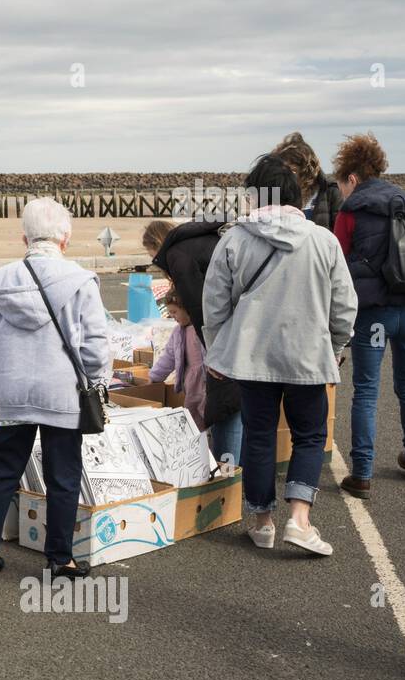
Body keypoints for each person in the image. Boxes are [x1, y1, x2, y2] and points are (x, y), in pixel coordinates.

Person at [203, 155, 357, 556]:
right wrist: (335, 347)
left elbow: (215, 304)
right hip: (307, 355)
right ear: (297, 195)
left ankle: (262, 521)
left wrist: (219, 351)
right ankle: (300, 520)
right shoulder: (323, 240)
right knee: (309, 434)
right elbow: (344, 306)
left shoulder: (233, 239)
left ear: (255, 196)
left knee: (258, 434)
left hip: (252, 357)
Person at [0, 198, 109, 580]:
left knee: (2, 472)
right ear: (65, 237)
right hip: (62, 393)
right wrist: (96, 380)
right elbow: (95, 344)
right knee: (63, 476)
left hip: (11, 392)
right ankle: (61, 559)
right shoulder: (80, 280)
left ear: (23, 237)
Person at [330, 133, 405, 498]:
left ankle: (363, 472)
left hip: (373, 312)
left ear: (352, 178)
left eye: (341, 183)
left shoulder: (352, 210)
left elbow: (336, 262)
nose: (341, 191)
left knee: (367, 391)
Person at [151, 212, 243, 465]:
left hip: (223, 348)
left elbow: (200, 309)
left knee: (227, 411)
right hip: (239, 333)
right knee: (234, 412)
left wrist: (216, 356)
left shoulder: (178, 256)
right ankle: (232, 476)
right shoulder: (202, 242)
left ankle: (228, 479)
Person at [147, 290, 206, 429]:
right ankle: (198, 443)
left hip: (205, 380)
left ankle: (210, 443)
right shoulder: (178, 332)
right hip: (190, 383)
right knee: (192, 416)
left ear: (186, 308)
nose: (172, 316)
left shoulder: (202, 329)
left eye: (174, 312)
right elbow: (169, 356)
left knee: (208, 413)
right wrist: (155, 376)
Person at [271, 131, 344, 230]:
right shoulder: (276, 193)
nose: (286, 176)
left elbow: (339, 233)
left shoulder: (330, 192)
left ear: (307, 169)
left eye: (292, 170)